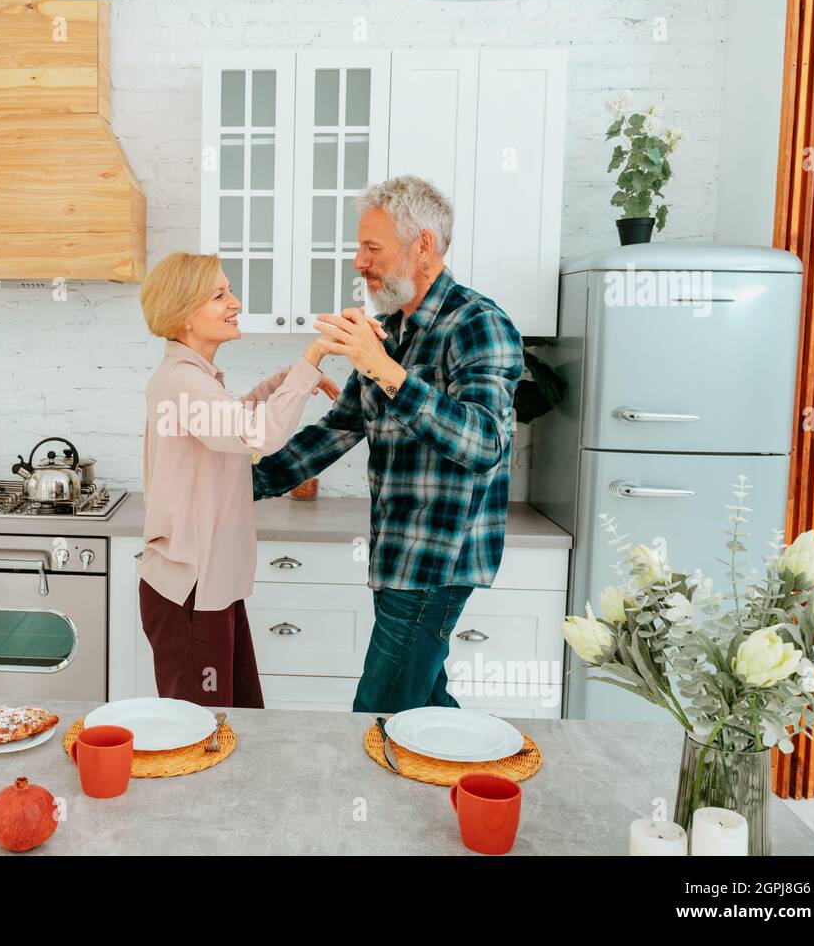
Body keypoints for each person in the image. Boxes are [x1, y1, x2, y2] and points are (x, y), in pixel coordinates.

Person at [253, 175, 525, 715]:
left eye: (372, 247)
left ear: (423, 245)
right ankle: (477, 790)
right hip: (397, 555)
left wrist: (385, 371)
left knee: (376, 716)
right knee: (424, 707)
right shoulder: (389, 330)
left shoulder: (478, 324)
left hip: (437, 564)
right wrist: (240, 485)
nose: (358, 261)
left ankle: (387, 799)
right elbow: (338, 428)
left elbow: (484, 442)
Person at [137, 252, 343, 708]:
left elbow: (235, 419)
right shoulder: (181, 382)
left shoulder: (194, 379)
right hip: (191, 593)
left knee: (239, 720)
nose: (236, 301)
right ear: (183, 314)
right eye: (219, 294)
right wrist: (313, 356)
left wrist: (288, 379)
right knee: (204, 732)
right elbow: (259, 434)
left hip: (213, 587)